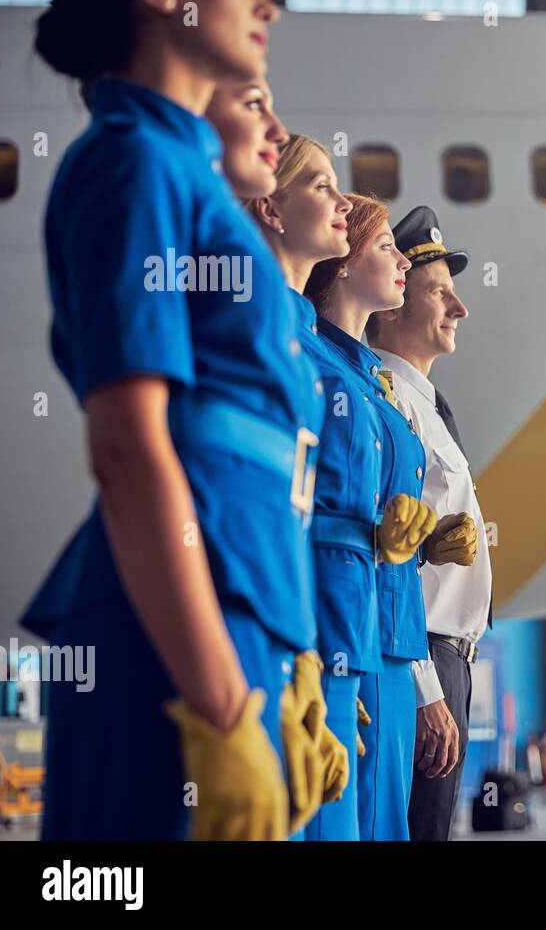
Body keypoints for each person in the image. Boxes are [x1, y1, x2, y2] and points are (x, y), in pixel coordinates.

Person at [24, 0, 329, 840]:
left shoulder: (183, 173)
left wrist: (292, 658)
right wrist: (226, 708)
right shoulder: (135, 159)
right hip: (178, 623)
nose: (266, 2)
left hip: (233, 604)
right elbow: (127, 447)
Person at [205, 104, 354, 835]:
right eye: (321, 185)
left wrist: (307, 657)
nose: (342, 202)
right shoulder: (246, 306)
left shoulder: (289, 322)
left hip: (279, 625)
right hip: (236, 623)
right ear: (269, 205)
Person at [303, 193, 444, 841]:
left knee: (380, 822)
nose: (400, 260)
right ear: (339, 264)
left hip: (385, 625)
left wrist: (429, 536)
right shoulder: (314, 363)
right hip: (344, 626)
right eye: (385, 246)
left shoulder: (366, 375)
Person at [371, 205, 490, 841]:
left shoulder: (424, 403)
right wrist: (426, 689)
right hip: (425, 655)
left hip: (448, 658)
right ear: (392, 305)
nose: (459, 308)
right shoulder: (393, 405)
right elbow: (391, 565)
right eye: (439, 292)